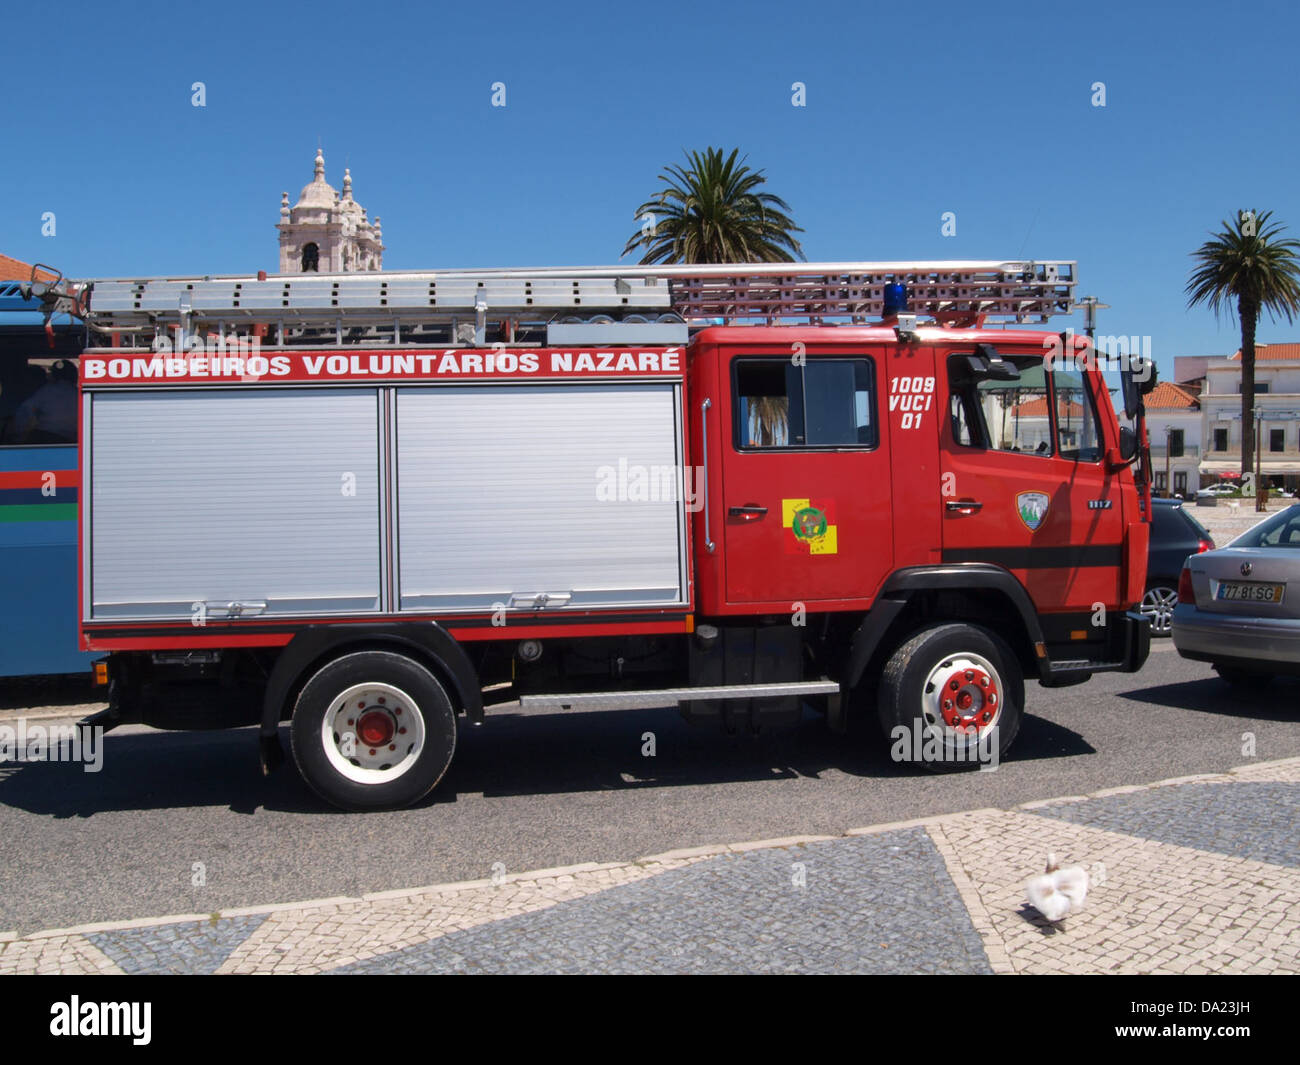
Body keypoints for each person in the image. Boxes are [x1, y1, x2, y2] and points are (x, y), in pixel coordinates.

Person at [13, 360, 77, 444]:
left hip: (45, 438)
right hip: (73, 442)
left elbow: (25, 412)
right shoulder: (80, 394)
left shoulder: (46, 391)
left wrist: (19, 434)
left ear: (53, 375)